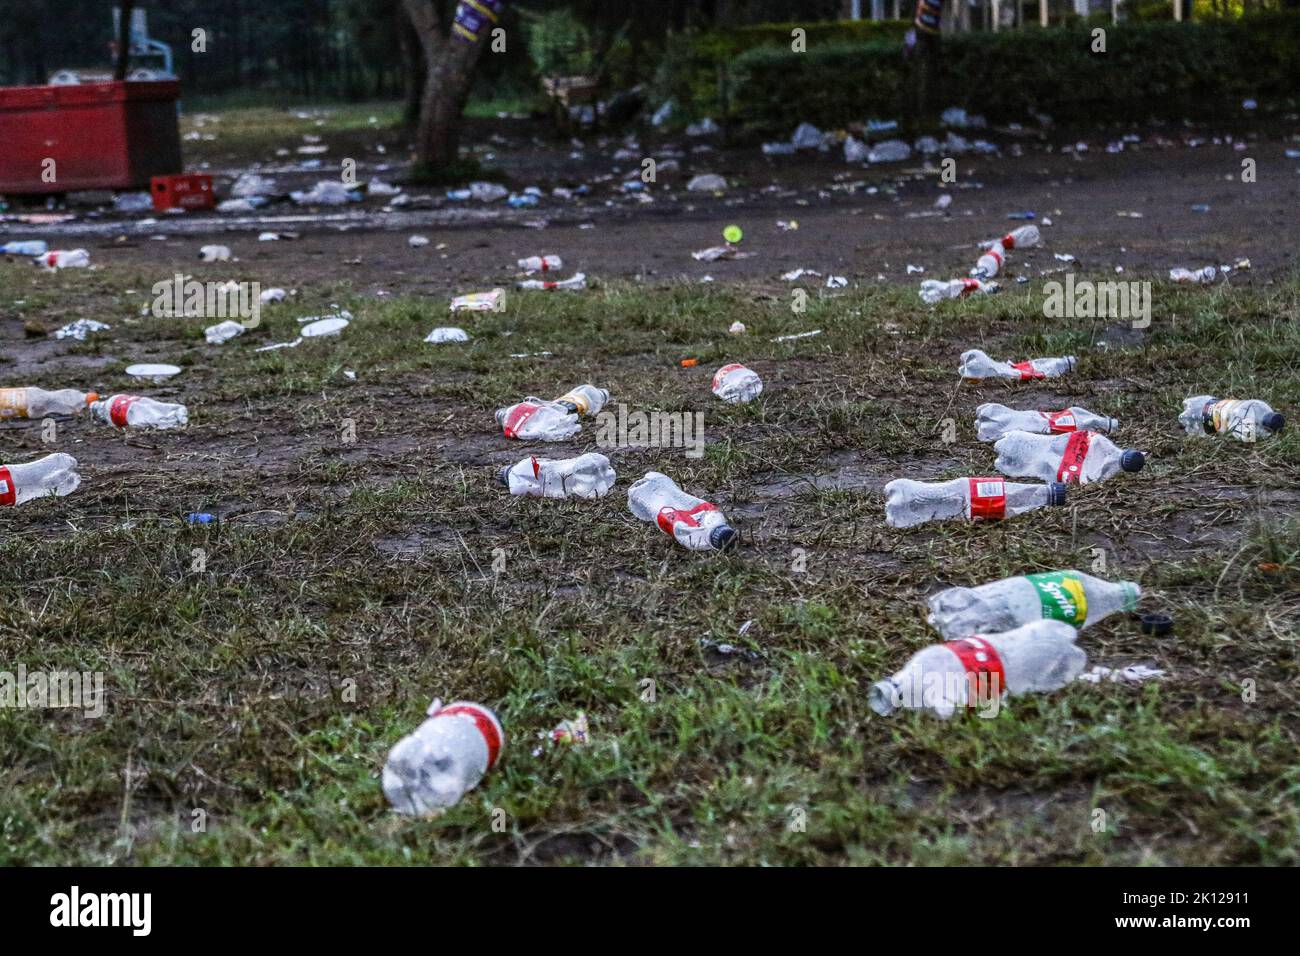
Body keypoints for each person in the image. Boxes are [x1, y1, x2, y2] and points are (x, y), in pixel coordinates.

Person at [904, 0, 943, 133]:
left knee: (927, 78)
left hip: (930, 35)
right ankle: (919, 119)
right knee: (920, 78)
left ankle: (923, 119)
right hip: (922, 36)